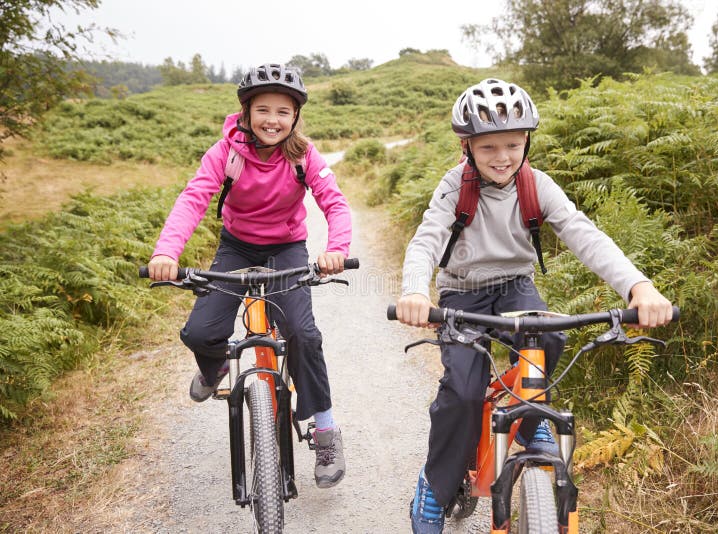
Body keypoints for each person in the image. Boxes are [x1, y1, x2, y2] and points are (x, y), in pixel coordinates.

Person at [394, 78, 673, 533]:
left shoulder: (536, 185)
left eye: (513, 143)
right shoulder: (453, 187)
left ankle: (527, 415)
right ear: (466, 146)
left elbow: (585, 236)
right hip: (462, 292)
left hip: (514, 287)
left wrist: (638, 286)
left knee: (550, 334)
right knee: (463, 390)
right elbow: (426, 239)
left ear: (527, 141)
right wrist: (414, 290)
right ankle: (435, 488)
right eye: (489, 148)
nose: (503, 156)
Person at [147, 63, 351, 489]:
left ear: (295, 116)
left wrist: (336, 250)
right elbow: (194, 199)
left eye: (283, 111)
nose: (272, 120)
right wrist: (167, 252)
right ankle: (216, 365)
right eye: (263, 109)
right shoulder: (226, 152)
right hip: (236, 247)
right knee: (201, 332)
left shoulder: (304, 155)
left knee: (303, 333)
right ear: (246, 111)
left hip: (286, 249)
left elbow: (334, 203)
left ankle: (326, 429)